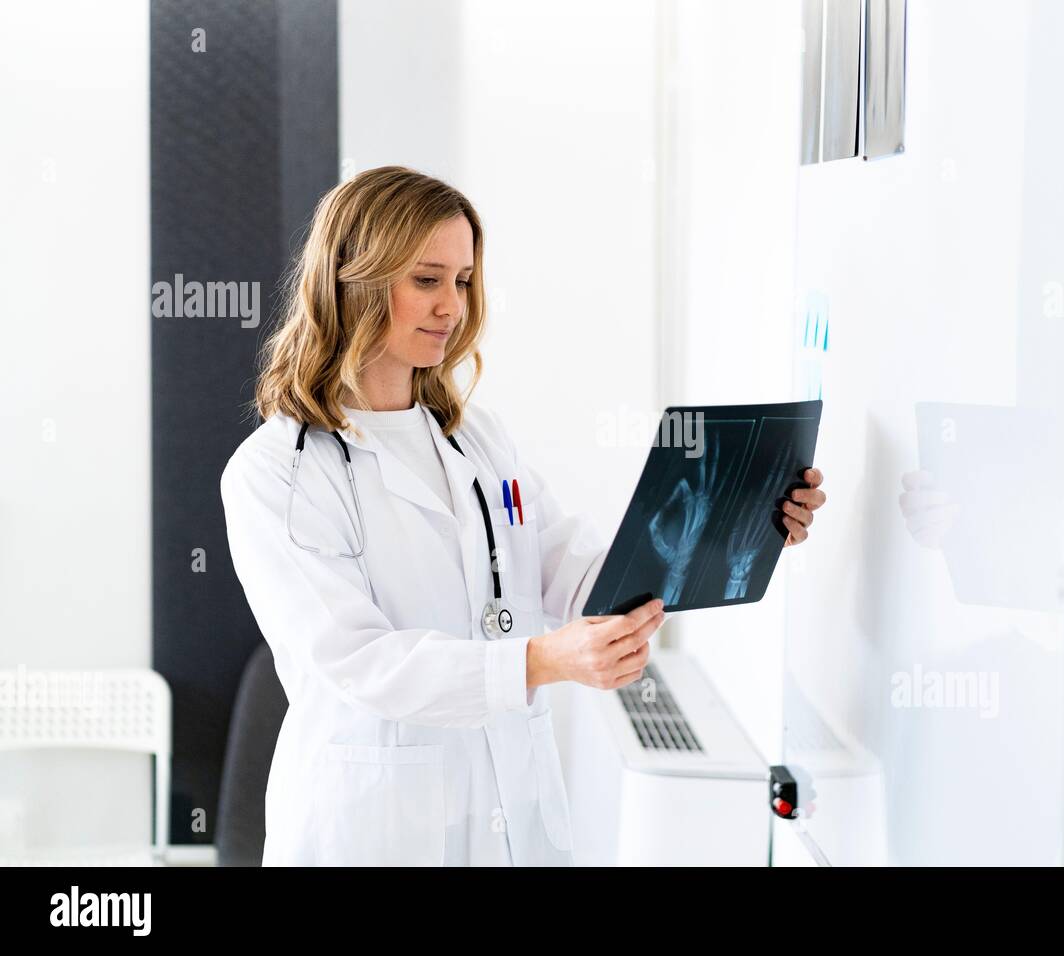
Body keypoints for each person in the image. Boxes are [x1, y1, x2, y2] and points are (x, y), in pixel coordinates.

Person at [220, 165, 826, 866]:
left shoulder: (477, 441)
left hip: (509, 809)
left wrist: (742, 523)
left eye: (464, 280)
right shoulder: (280, 472)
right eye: (427, 279)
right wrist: (540, 660)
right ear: (355, 278)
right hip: (377, 827)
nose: (452, 304)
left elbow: (567, 572)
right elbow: (363, 662)